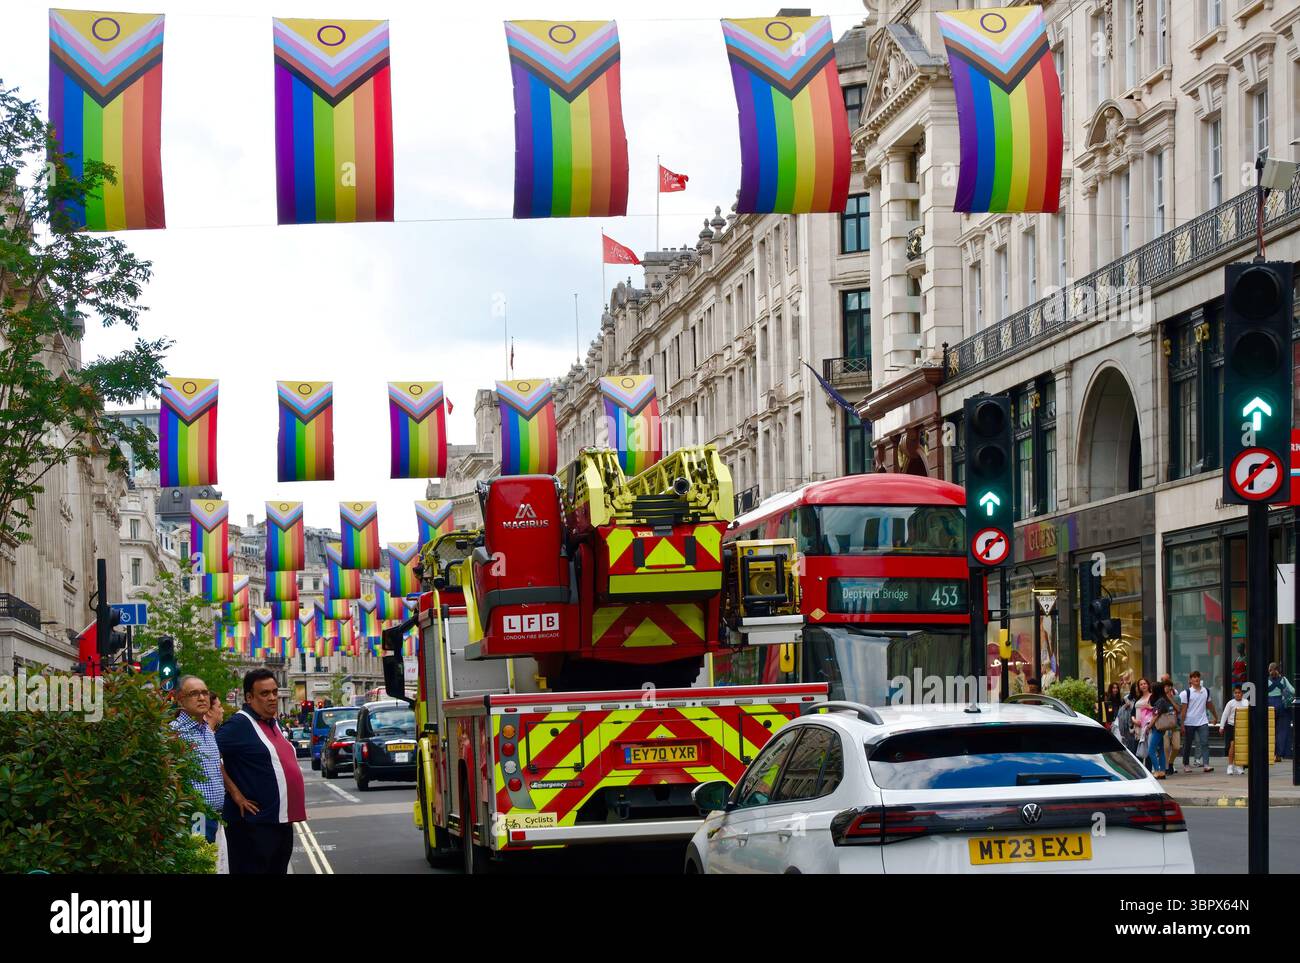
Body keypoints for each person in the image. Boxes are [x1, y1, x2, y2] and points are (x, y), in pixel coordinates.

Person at [217, 669, 306, 874]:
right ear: (249, 697)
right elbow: (208, 754)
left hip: (279, 822)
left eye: (274, 692)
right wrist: (235, 794)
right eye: (265, 694)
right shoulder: (239, 724)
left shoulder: (272, 722)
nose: (272, 698)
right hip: (253, 826)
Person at [170, 675, 225, 844]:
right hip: (195, 816)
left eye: (205, 693)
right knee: (200, 862)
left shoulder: (208, 731)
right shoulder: (175, 732)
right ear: (180, 699)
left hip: (216, 816)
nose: (202, 698)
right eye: (194, 693)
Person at [1178, 671, 1217, 772]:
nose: (1196, 679)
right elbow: (1183, 710)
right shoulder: (1185, 693)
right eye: (1194, 677)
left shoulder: (1206, 691)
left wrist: (1215, 716)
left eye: (1198, 677)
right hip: (1189, 722)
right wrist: (1182, 724)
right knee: (1188, 743)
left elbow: (1209, 705)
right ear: (1190, 680)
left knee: (1205, 742)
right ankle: (1186, 764)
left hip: (1202, 721)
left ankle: (1206, 764)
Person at [1148, 683, 1179, 779]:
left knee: (1151, 750)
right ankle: (1162, 771)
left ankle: (1157, 770)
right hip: (1162, 728)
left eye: (1152, 689)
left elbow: (1156, 715)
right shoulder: (1164, 699)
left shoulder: (1160, 701)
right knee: (1161, 750)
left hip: (1157, 728)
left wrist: (1149, 726)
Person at [1267, 663, 1295, 761]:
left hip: (1269, 706)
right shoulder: (1283, 679)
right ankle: (1279, 754)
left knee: (1270, 731)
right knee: (1282, 731)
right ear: (1279, 670)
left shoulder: (1266, 681)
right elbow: (1293, 691)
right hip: (1282, 706)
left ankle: (1271, 753)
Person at [1221, 683, 1249, 776]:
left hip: (1242, 726)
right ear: (1234, 693)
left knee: (1241, 746)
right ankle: (1230, 765)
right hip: (1231, 725)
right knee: (1232, 745)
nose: (1237, 694)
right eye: (1236, 693)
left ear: (1242, 693)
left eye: (1239, 692)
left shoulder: (1246, 703)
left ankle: (1239, 766)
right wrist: (1221, 726)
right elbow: (1225, 714)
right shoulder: (1230, 703)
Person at [1134, 678, 1155, 769]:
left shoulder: (1152, 696)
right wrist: (1133, 720)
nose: (1143, 685)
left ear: (1148, 685)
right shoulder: (1138, 698)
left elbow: (1157, 710)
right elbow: (1132, 712)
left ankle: (1148, 772)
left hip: (1147, 728)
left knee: (1148, 751)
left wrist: (1150, 707)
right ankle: (1140, 773)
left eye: (1145, 683)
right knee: (1139, 751)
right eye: (1141, 684)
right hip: (1137, 728)